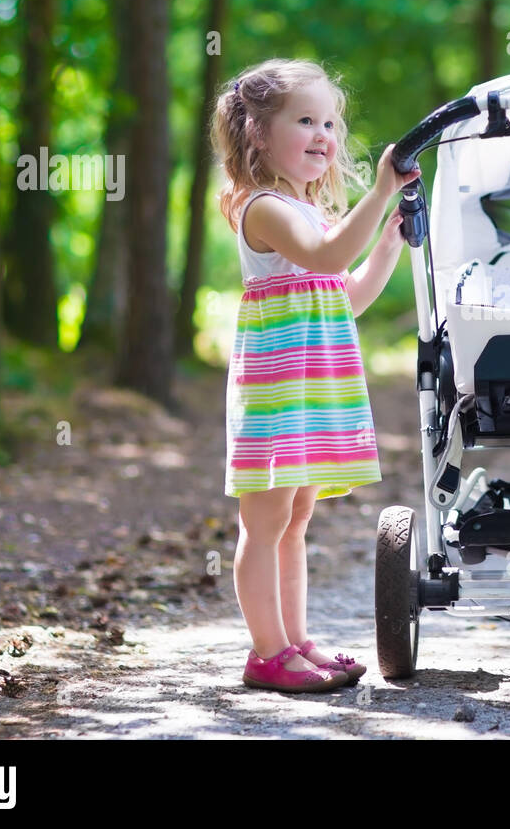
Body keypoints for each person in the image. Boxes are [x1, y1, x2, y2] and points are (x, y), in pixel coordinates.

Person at [212, 58, 420, 693]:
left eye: (330, 122)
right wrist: (381, 192)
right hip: (278, 389)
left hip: (312, 384)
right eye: (305, 120)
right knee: (266, 520)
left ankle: (297, 641)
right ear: (258, 134)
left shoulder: (310, 210)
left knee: (297, 514)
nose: (324, 135)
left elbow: (345, 296)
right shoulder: (265, 208)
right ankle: (266, 654)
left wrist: (386, 242)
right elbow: (329, 258)